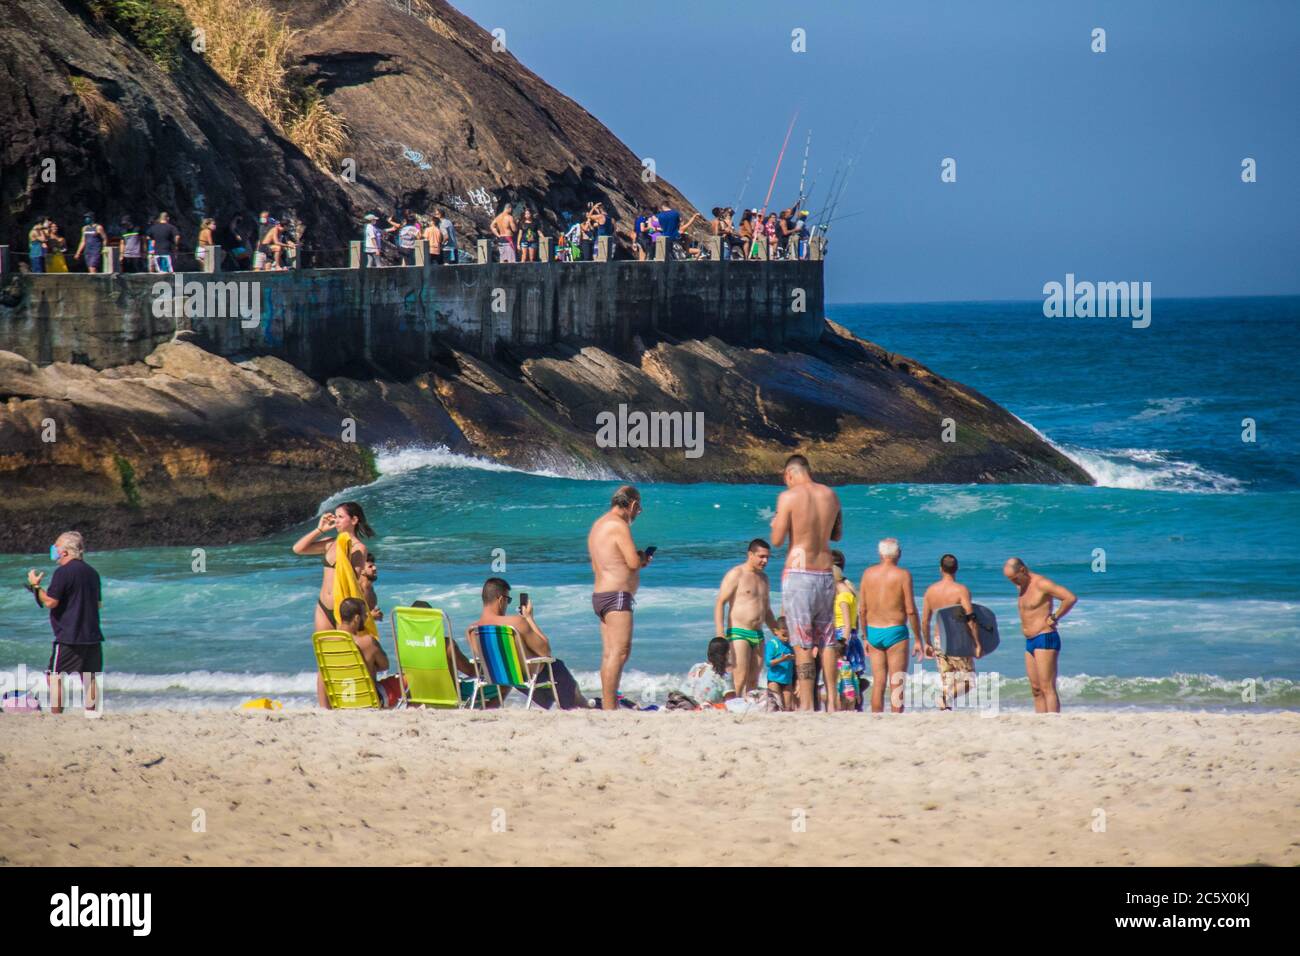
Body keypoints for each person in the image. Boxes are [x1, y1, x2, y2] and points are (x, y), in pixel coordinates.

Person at [769, 454, 842, 712]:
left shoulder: (788, 497)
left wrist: (777, 522)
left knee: (802, 643)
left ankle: (808, 703)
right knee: (828, 641)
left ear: (789, 474)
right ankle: (833, 700)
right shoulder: (831, 495)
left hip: (799, 574)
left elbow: (777, 540)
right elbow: (837, 534)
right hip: (825, 571)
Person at [291, 502, 381, 707]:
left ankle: (352, 701)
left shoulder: (359, 548)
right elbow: (298, 549)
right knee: (324, 661)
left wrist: (366, 612)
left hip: (344, 610)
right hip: (323, 607)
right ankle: (324, 710)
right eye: (336, 517)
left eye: (341, 517)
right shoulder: (330, 543)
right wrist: (319, 529)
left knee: (346, 659)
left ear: (354, 520)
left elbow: (355, 580)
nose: (336, 520)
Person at [472, 578, 587, 709]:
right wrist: (529, 619)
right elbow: (546, 651)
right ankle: (580, 705)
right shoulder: (515, 623)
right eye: (508, 600)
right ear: (500, 600)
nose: (507, 604)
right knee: (557, 666)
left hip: (504, 679)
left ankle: (579, 703)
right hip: (529, 677)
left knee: (558, 687)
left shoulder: (472, 630)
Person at [587, 484, 652, 710]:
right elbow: (632, 563)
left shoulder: (598, 525)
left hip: (601, 595)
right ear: (632, 504)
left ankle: (608, 703)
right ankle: (610, 705)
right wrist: (642, 557)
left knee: (610, 653)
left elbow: (601, 564)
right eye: (639, 508)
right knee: (620, 652)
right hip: (616, 596)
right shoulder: (619, 525)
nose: (638, 512)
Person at [26, 532, 103, 714]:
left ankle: (57, 714)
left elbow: (51, 602)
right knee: (90, 677)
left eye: (56, 546)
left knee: (54, 677)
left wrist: (35, 587)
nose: (54, 550)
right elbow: (98, 604)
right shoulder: (92, 573)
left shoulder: (63, 572)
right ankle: (92, 713)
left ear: (65, 552)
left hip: (70, 635)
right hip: (92, 634)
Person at [1004, 557, 1078, 713]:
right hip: (1029, 641)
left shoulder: (1041, 584)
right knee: (1036, 689)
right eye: (1010, 579)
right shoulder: (1021, 586)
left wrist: (1055, 616)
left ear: (1023, 570)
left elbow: (1070, 597)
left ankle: (1053, 723)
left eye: (1015, 578)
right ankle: (1041, 722)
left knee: (1047, 687)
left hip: (1045, 637)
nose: (1013, 582)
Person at [858, 538, 923, 714]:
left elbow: (862, 609)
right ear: (899, 554)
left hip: (873, 631)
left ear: (880, 554)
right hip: (895, 631)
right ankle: (896, 717)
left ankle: (876, 718)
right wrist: (918, 638)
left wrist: (865, 636)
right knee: (897, 681)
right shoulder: (902, 575)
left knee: (878, 681)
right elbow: (910, 609)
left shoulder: (867, 574)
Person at [714, 538, 779, 696]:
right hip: (738, 632)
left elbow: (767, 610)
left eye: (767, 558)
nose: (765, 561)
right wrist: (720, 634)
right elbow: (720, 603)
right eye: (761, 556)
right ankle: (734, 706)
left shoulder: (764, 578)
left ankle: (749, 709)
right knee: (740, 677)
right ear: (750, 554)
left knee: (753, 679)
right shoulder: (737, 574)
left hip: (758, 634)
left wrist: (778, 631)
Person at [921, 553, 982, 710]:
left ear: (940, 569)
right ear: (957, 569)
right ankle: (944, 698)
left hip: (939, 639)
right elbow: (970, 618)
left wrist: (927, 643)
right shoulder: (961, 590)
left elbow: (925, 620)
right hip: (957, 640)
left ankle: (945, 706)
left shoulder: (930, 591)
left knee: (948, 681)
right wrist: (977, 643)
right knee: (969, 681)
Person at [824, 549, 858, 713]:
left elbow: (846, 622)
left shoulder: (843, 596)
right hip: (847, 634)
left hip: (841, 635)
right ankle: (849, 704)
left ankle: (844, 705)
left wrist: (843, 641)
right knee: (847, 674)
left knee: (841, 674)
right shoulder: (849, 589)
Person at [684, 637, 735, 705]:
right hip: (708, 705)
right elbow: (730, 701)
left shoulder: (696, 667)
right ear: (726, 654)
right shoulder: (724, 674)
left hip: (689, 702)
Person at [765, 617, 795, 710]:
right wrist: (782, 659)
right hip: (774, 679)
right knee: (775, 705)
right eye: (784, 635)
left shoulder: (791, 644)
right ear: (776, 631)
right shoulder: (773, 644)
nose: (787, 638)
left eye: (789, 635)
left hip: (787, 680)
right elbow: (768, 662)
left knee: (788, 707)